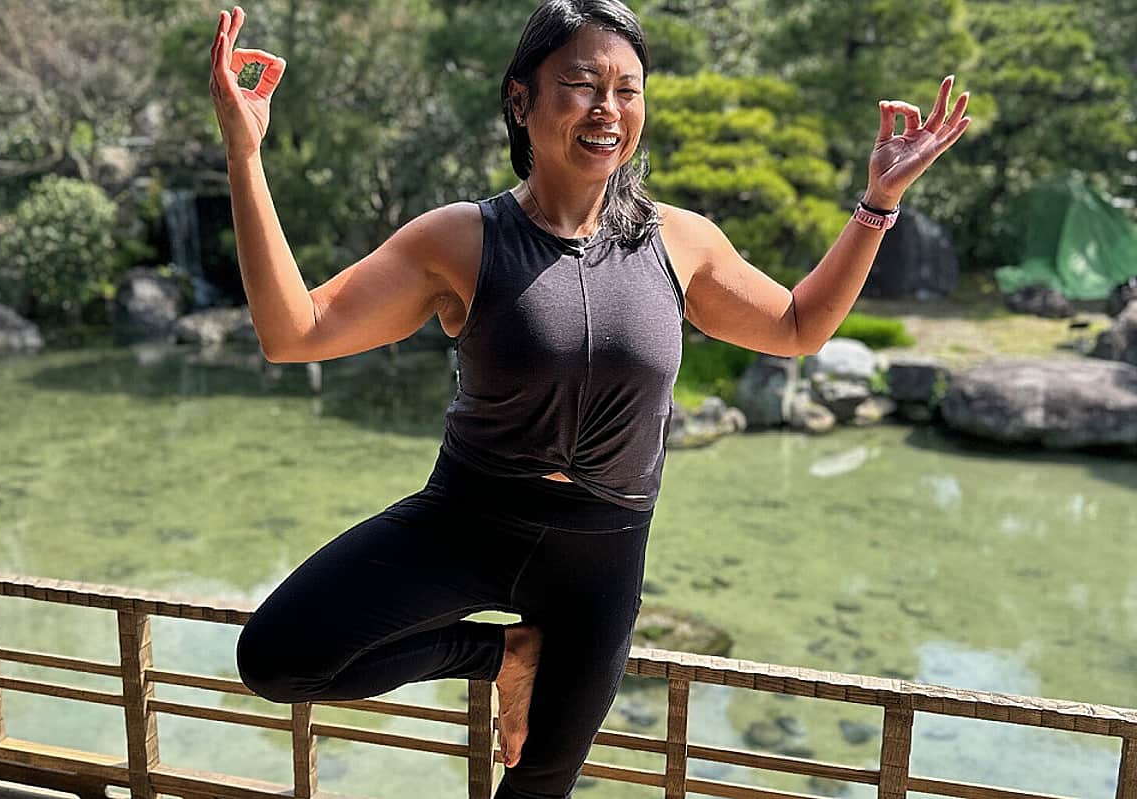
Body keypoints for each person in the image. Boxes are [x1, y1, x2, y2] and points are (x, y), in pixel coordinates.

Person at [209, 1, 971, 796]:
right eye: (579, 83)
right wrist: (245, 154)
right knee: (280, 657)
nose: (608, 108)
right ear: (520, 100)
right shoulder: (460, 240)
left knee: (538, 786)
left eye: (627, 88)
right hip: (468, 519)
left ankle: (522, 656)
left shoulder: (682, 241)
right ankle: (502, 655)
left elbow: (798, 325)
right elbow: (293, 333)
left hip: (600, 559)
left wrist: (877, 202)